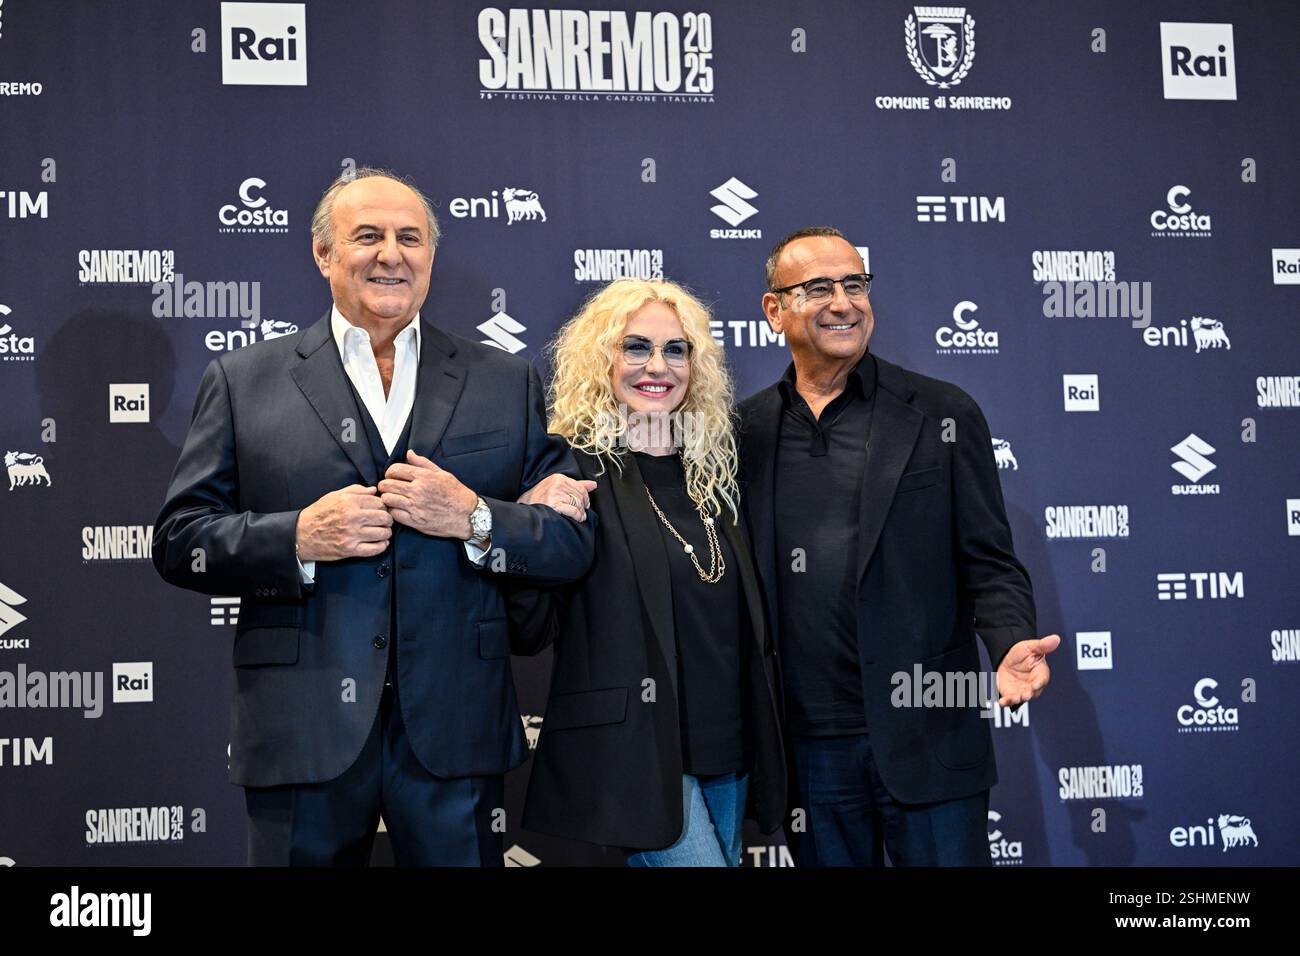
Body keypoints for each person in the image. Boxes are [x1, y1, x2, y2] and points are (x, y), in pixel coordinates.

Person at [152, 168, 594, 866]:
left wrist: (476, 517)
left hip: (454, 731)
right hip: (302, 731)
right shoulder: (242, 381)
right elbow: (181, 542)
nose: (392, 253)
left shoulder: (503, 382)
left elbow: (568, 541)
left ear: (430, 256)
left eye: (410, 237)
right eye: (368, 236)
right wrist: (296, 537)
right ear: (324, 254)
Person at [736, 227, 1060, 866]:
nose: (843, 303)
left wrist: (1010, 637)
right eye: (819, 288)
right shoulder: (744, 432)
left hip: (929, 733)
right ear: (774, 310)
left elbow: (988, 560)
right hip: (808, 750)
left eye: (855, 284)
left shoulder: (943, 412)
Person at [507, 278, 786, 865]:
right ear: (601, 360)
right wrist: (528, 526)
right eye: (636, 347)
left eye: (675, 350)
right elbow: (529, 628)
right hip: (639, 753)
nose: (657, 366)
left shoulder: (718, 469)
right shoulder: (572, 466)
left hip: (732, 748)